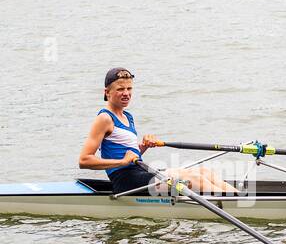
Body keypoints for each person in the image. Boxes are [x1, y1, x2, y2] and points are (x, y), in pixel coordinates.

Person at [78, 69, 235, 194]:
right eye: (120, 89)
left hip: (139, 172)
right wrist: (122, 162)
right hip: (125, 181)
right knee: (193, 178)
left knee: (203, 171)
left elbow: (126, 153)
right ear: (107, 92)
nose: (126, 93)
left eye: (129, 88)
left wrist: (143, 147)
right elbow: (84, 161)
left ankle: (240, 197)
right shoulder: (104, 118)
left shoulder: (128, 116)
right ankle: (238, 205)